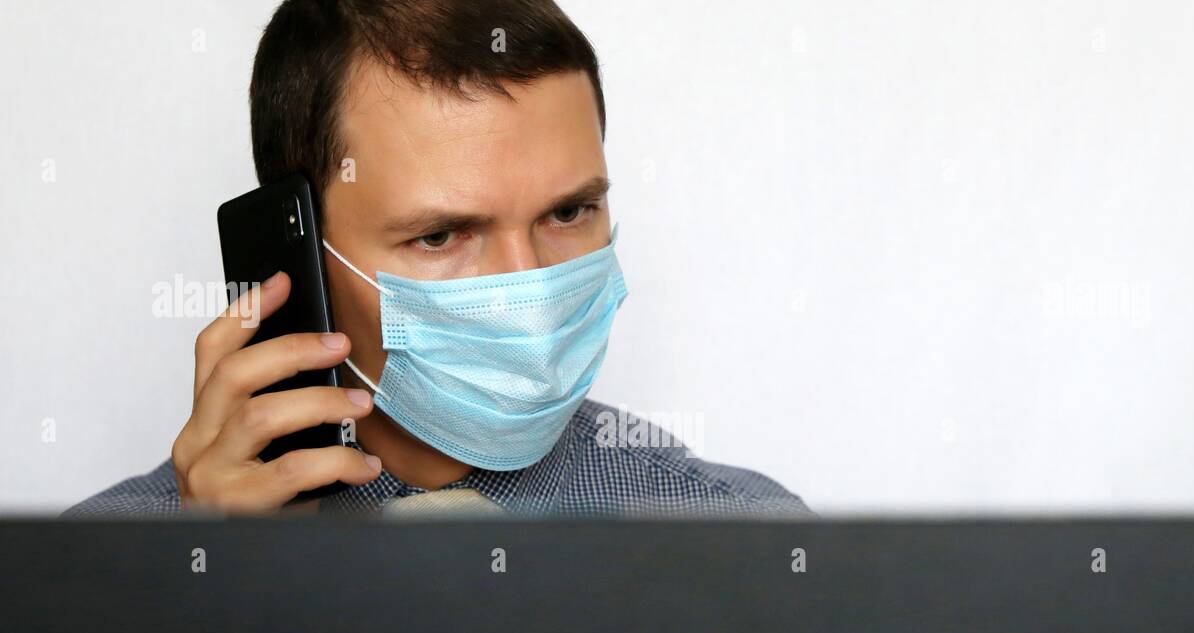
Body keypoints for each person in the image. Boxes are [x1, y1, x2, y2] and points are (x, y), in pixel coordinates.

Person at [68, 0, 808, 518]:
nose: (531, 288)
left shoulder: (750, 542)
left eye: (568, 212)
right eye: (441, 235)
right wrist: (206, 598)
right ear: (294, 254)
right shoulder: (88, 591)